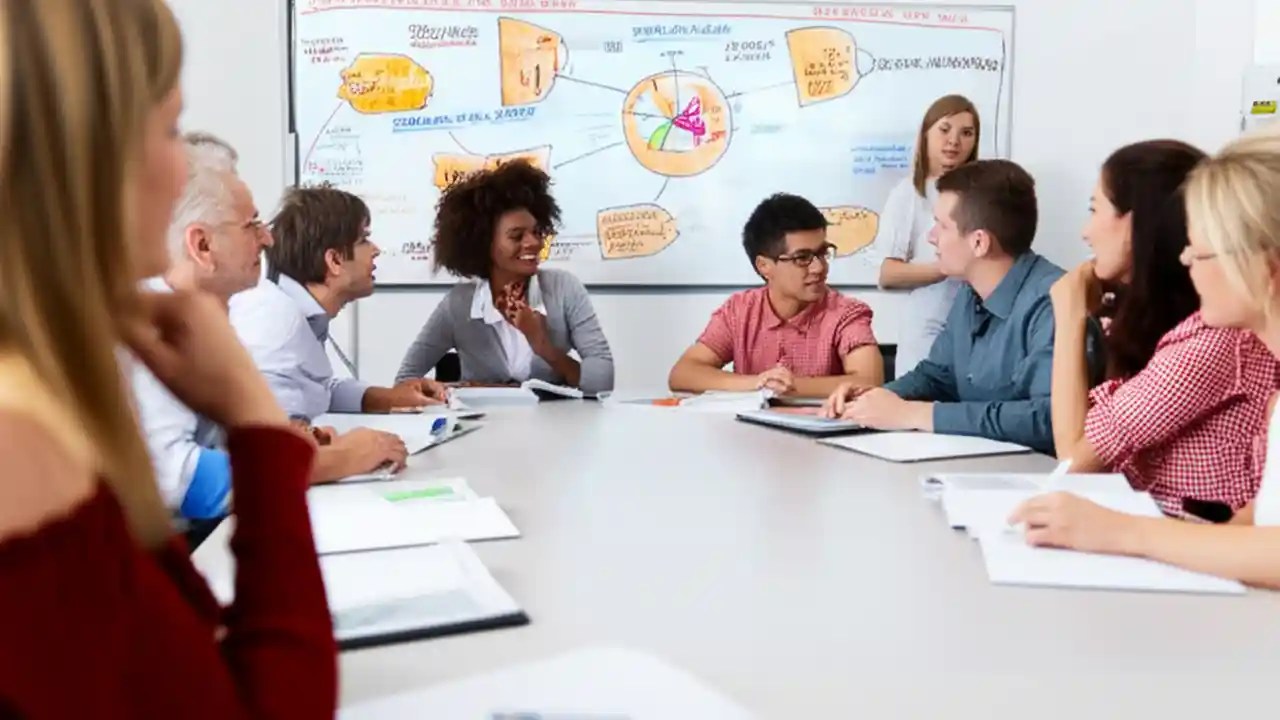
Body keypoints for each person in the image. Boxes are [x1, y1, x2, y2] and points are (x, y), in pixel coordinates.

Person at [0, 0, 336, 715]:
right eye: (168, 129)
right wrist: (257, 424)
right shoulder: (21, 441)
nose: (182, 163)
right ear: (84, 156)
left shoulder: (55, 375)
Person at [1010, 127, 1280, 589]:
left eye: (1201, 249)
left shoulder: (1215, 343)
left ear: (1266, 267)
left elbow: (1075, 454)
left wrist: (1121, 532)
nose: (1187, 259)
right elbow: (1257, 523)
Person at [130, 135, 410, 525]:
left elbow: (211, 439)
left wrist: (286, 442)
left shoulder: (203, 318)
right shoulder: (152, 326)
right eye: (251, 225)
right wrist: (338, 460)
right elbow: (181, 481)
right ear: (203, 246)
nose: (267, 238)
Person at [824, 160, 1102, 454]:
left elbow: (1046, 420)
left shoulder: (1053, 303)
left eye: (942, 226)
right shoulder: (970, 293)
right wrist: (876, 398)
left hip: (1040, 482)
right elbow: (938, 376)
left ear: (979, 242)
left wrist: (916, 415)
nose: (932, 237)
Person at [230, 185, 448, 420]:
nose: (376, 250)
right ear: (334, 260)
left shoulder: (302, 311)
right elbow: (269, 430)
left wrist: (392, 397)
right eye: (364, 239)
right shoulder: (275, 321)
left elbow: (316, 390)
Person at [396, 160, 615, 394]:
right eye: (516, 236)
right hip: (483, 428)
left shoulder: (562, 288)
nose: (533, 243)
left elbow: (602, 383)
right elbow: (405, 381)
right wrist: (462, 389)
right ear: (483, 242)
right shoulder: (459, 305)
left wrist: (544, 347)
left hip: (555, 427)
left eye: (537, 232)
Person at [669, 193, 883, 397]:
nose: (819, 267)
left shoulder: (846, 313)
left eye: (822, 253)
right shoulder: (739, 310)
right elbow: (683, 374)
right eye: (802, 258)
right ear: (764, 266)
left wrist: (788, 385)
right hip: (749, 433)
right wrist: (758, 382)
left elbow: (869, 381)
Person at [877, 95, 979, 377]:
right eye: (944, 130)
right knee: (917, 406)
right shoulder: (909, 192)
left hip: (976, 324)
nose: (954, 141)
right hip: (928, 323)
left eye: (966, 133)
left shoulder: (982, 194)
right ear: (926, 135)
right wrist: (945, 268)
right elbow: (887, 274)